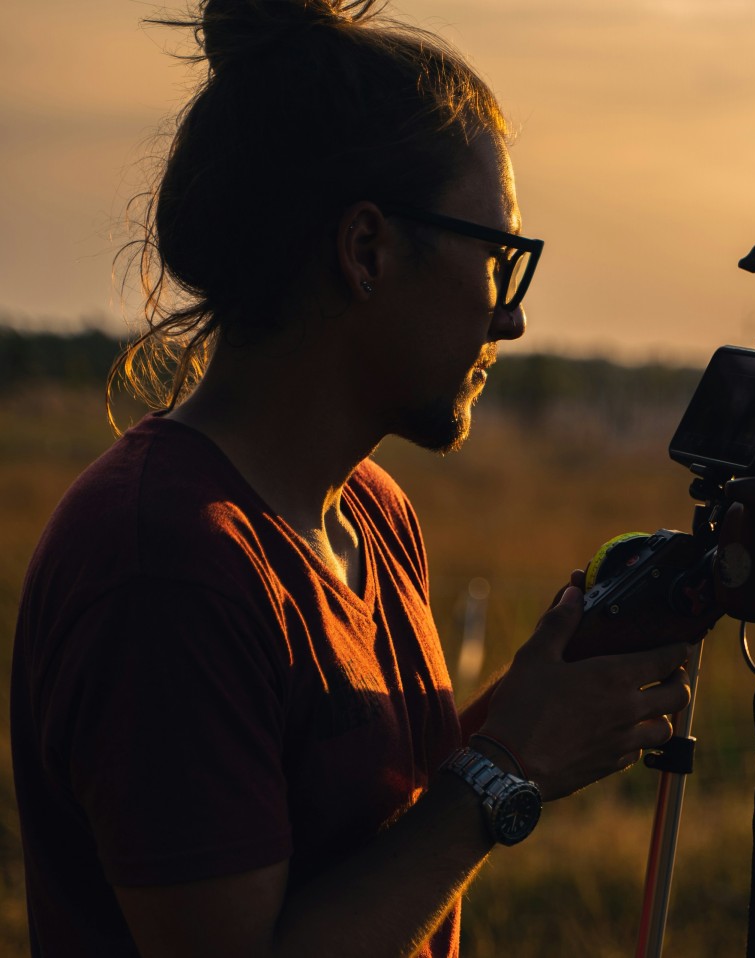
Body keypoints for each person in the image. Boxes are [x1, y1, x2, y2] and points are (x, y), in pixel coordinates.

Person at [8, 2, 692, 955]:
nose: (511, 322)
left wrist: (539, 703)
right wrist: (508, 765)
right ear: (367, 250)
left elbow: (365, 839)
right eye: (499, 259)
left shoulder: (370, 511)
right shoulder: (163, 568)